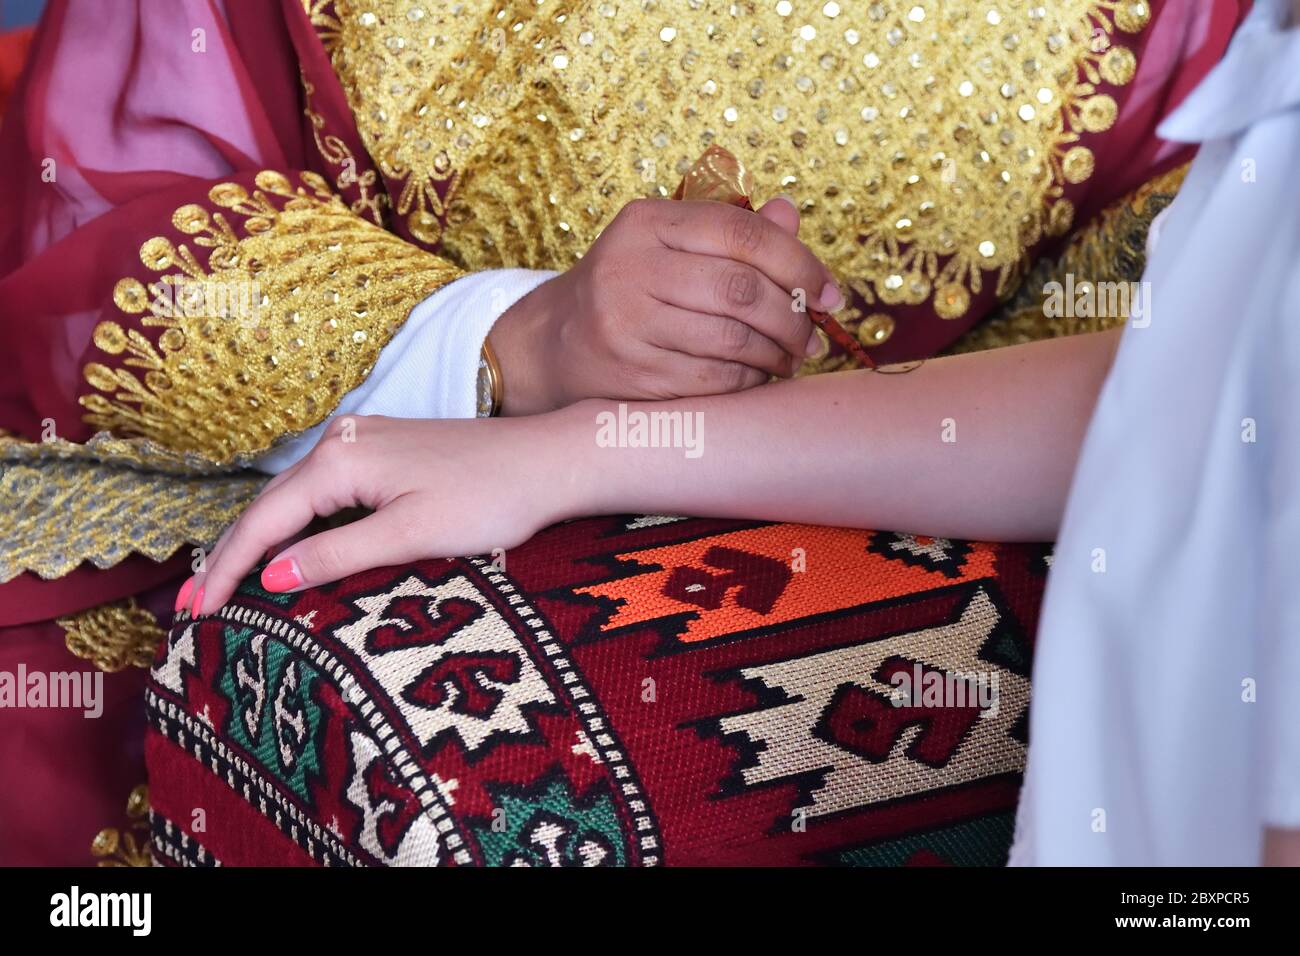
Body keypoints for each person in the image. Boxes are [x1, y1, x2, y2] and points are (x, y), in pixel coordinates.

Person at [0, 0, 1243, 864]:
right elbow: (114, 211)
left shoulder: (1180, 41)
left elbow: (1202, 375)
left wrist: (630, 438)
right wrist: (505, 341)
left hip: (895, 575)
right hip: (284, 481)